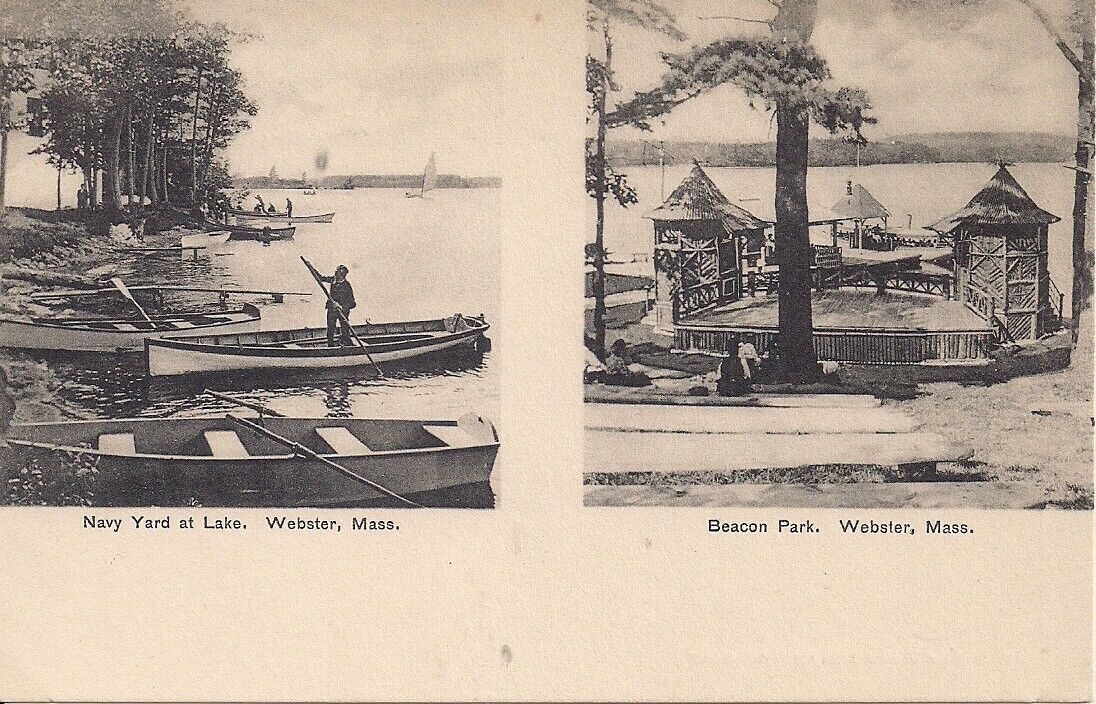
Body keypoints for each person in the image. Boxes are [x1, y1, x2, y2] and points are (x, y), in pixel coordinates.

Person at [321, 264, 356, 346]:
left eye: (337, 273)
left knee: (345, 329)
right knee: (330, 329)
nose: (335, 273)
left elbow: (353, 303)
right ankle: (331, 347)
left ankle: (348, 345)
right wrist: (310, 267)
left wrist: (341, 306)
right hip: (331, 309)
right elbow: (320, 278)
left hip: (343, 311)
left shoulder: (347, 285)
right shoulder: (333, 280)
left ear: (342, 275)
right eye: (335, 272)